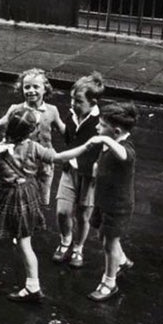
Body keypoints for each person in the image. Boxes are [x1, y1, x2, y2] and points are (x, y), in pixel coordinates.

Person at [0, 107, 95, 302]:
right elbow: (58, 157)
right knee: (23, 241)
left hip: (9, 196)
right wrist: (86, 147)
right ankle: (32, 285)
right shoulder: (33, 147)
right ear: (30, 132)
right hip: (29, 193)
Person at [0, 68, 64, 206]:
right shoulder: (16, 110)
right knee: (23, 195)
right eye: (27, 87)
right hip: (23, 160)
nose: (31, 90)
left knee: (43, 197)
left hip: (45, 161)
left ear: (45, 89)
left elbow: (64, 130)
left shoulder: (52, 110)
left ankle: (36, 216)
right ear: (21, 89)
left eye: (36, 86)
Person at [86, 102, 138, 302]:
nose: (97, 128)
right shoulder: (110, 144)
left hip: (118, 207)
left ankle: (109, 282)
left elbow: (124, 156)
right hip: (104, 202)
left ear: (115, 131)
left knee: (110, 243)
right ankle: (122, 261)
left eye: (101, 125)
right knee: (104, 236)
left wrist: (103, 140)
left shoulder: (126, 149)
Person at [52, 72, 105, 268]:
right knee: (62, 211)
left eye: (78, 100)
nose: (73, 104)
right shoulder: (72, 115)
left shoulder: (101, 121)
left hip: (89, 175)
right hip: (70, 169)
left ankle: (78, 248)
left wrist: (98, 167)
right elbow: (69, 139)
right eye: (72, 99)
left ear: (93, 101)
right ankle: (65, 240)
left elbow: (106, 147)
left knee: (83, 214)